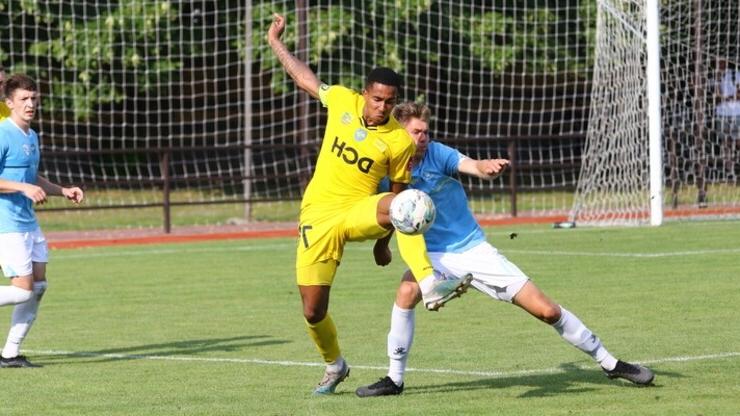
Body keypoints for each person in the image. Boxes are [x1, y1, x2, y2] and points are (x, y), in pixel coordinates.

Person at [356, 102, 655, 397]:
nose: (423, 138)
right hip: (431, 256)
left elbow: (470, 165)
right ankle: (394, 379)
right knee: (406, 293)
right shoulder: (385, 166)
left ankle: (609, 362)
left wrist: (486, 168)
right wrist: (381, 245)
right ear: (398, 131)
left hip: (472, 250)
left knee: (547, 311)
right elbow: (378, 209)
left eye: (426, 132)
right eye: (416, 132)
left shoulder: (437, 153)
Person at [266, 14, 472, 395]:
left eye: (390, 103)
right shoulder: (341, 101)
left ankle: (429, 283)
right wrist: (275, 40)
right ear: (364, 94)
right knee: (313, 311)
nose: (382, 107)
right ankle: (335, 365)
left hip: (359, 211)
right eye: (377, 99)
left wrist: (382, 242)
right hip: (318, 216)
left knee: (409, 200)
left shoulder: (400, 141)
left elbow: (398, 197)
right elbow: (303, 77)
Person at [0, 74, 84, 368]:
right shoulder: (2, 133)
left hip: (28, 222)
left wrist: (63, 190)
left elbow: (31, 177)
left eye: (34, 98)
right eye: (23, 99)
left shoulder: (32, 136)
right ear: (9, 103)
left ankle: (10, 353)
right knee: (22, 289)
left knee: (38, 287)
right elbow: (21, 183)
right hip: (6, 224)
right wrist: (23, 188)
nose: (30, 104)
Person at [714, 58, 740, 182]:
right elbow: (714, 98)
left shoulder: (735, 74)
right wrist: (728, 97)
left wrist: (726, 98)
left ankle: (736, 165)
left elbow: (739, 94)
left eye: (722, 61)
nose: (720, 64)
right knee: (726, 142)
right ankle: (730, 172)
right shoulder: (714, 77)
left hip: (736, 113)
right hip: (722, 114)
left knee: (737, 141)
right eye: (718, 62)